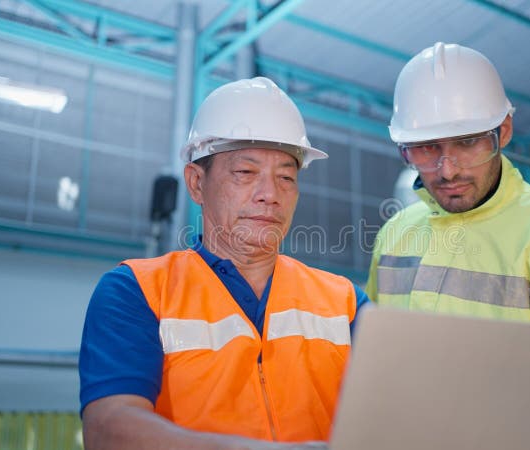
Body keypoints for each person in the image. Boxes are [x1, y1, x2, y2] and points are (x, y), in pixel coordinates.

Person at [79, 77, 369, 450]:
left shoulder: (345, 301)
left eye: (286, 177)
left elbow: (393, 411)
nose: (269, 195)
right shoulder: (136, 291)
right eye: (245, 173)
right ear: (197, 183)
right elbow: (109, 429)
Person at [365, 42, 530, 325]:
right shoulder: (395, 234)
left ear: (503, 132)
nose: (448, 172)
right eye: (426, 148)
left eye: (467, 143)